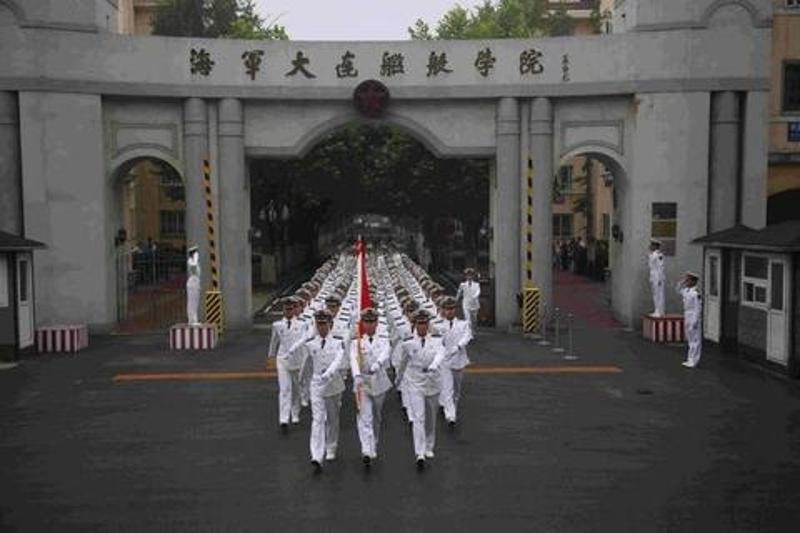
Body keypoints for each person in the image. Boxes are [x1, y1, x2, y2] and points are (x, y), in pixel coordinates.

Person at [395, 310, 446, 469]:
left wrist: (433, 366)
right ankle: (420, 452)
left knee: (431, 416)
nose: (422, 327)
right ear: (414, 324)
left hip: (433, 380)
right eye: (419, 323)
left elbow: (440, 354)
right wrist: (398, 379)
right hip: (415, 381)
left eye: (425, 323)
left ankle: (429, 445)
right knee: (418, 417)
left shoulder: (437, 340)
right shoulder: (408, 342)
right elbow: (403, 362)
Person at [350, 308, 393, 466]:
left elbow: (386, 352)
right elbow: (353, 359)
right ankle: (366, 449)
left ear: (376, 323)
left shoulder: (383, 339)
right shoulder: (357, 341)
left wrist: (377, 364)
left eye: (371, 322)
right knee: (364, 416)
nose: (369, 325)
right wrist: (356, 375)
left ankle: (373, 441)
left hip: (379, 381)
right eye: (366, 322)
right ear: (363, 323)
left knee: (376, 415)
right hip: (362, 382)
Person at [305, 310, 346, 472]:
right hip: (316, 384)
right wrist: (304, 387)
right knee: (318, 419)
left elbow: (338, 360)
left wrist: (329, 373)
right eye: (319, 324)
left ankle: (331, 446)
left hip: (333, 383)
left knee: (333, 418)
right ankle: (316, 455)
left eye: (324, 324)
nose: (321, 327)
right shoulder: (310, 343)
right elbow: (307, 366)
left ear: (330, 324)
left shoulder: (338, 342)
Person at [267, 298, 306, 431]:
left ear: (294, 310)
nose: (288, 311)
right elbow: (274, 341)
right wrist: (270, 356)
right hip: (282, 359)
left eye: (291, 308)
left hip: (297, 360)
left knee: (296, 389)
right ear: (283, 310)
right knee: (284, 389)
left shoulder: (302, 325)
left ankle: (295, 412)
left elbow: (304, 341)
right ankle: (283, 419)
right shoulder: (277, 325)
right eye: (286, 309)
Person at [439, 296, 472, 427]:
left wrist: (458, 346)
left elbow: (467, 336)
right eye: (447, 309)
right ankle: (450, 415)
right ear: (443, 310)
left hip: (459, 360)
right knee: (448, 389)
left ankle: (453, 408)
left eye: (452, 308)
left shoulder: (463, 324)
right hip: (445, 361)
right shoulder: (439, 325)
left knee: (456, 390)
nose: (450, 311)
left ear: (455, 310)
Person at [676, 272, 702, 368]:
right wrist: (681, 282)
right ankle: (690, 359)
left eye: (688, 280)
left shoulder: (696, 293)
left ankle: (694, 360)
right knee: (690, 338)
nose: (686, 281)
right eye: (686, 280)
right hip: (687, 314)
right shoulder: (686, 291)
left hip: (693, 315)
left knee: (695, 339)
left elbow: (698, 308)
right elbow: (677, 289)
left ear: (693, 281)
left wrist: (695, 320)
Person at [649, 239, 666, 317]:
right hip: (653, 276)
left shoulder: (659, 255)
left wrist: (659, 278)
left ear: (656, 246)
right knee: (655, 294)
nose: (650, 246)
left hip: (658, 276)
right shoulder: (652, 254)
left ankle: (660, 311)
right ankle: (656, 309)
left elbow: (660, 267)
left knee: (659, 294)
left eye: (652, 245)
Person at [186, 245, 201, 326]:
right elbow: (193, 267)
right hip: (192, 282)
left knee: (195, 302)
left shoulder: (194, 261)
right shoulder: (190, 261)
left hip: (196, 282)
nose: (197, 254)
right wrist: (195, 257)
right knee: (192, 302)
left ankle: (194, 319)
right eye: (196, 253)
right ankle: (191, 320)